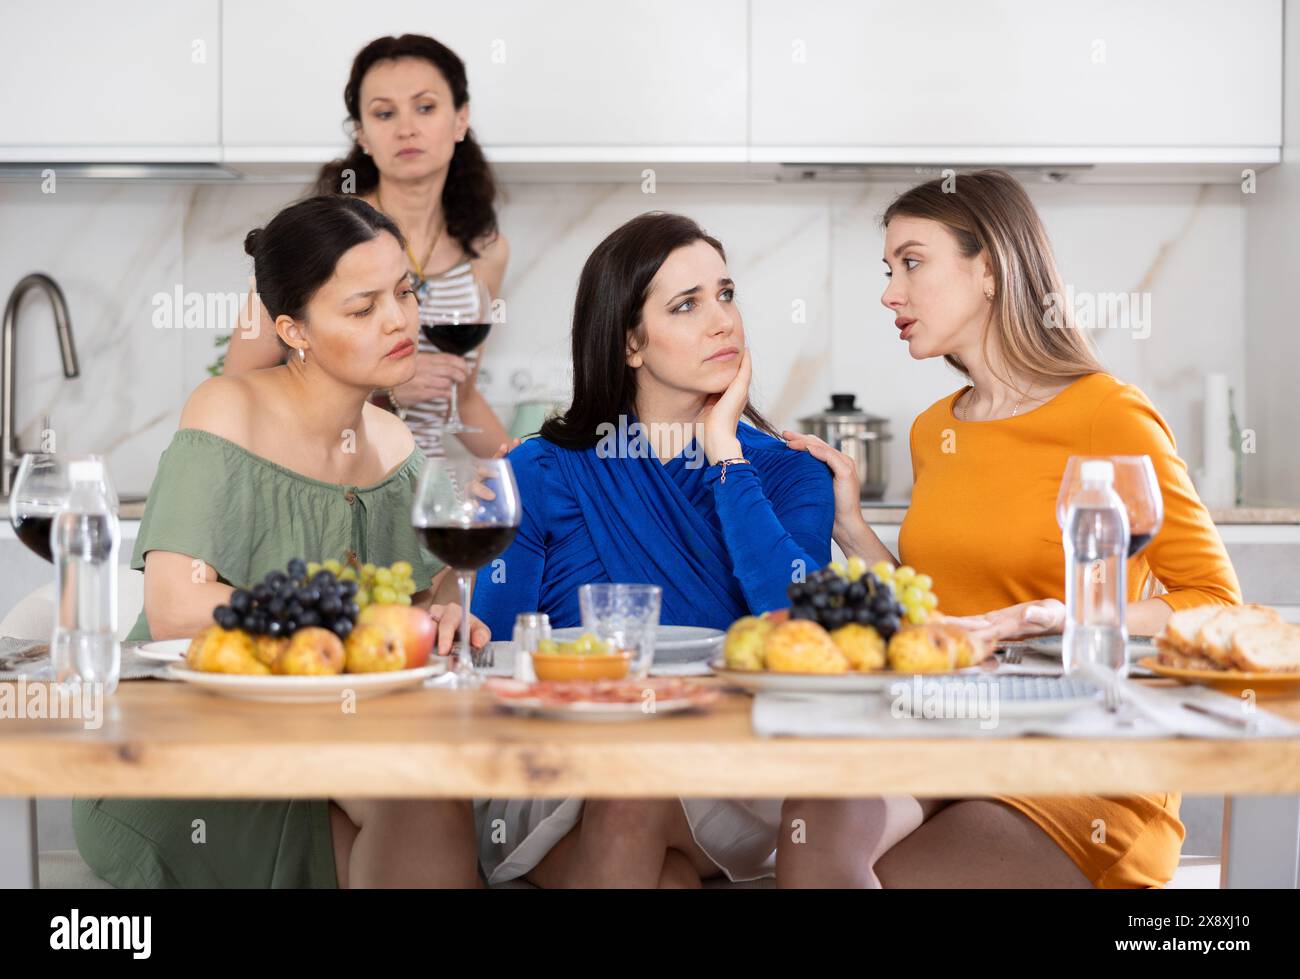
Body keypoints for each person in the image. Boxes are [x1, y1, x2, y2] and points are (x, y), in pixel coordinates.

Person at [780, 170, 1241, 888]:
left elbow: (1215, 601)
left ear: (989, 268)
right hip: (950, 728)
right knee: (811, 837)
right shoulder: (936, 429)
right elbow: (943, 619)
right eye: (888, 268)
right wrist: (852, 526)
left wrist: (1078, 616)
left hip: (1080, 757)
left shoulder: (1107, 413)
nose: (889, 292)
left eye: (912, 261)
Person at [73, 195, 492, 888]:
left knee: (431, 806)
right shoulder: (227, 409)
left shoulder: (394, 444)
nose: (399, 321)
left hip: (329, 741)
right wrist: (358, 620)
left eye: (405, 293)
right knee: (422, 814)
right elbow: (178, 606)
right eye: (362, 309)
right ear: (293, 330)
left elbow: (430, 592)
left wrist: (445, 611)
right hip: (196, 756)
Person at [471, 212, 835, 887]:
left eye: (725, 294)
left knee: (634, 795)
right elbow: (492, 651)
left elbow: (804, 634)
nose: (722, 320)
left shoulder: (790, 472)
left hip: (735, 764)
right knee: (637, 813)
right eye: (686, 305)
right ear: (631, 343)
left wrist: (728, 457)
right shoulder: (538, 470)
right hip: (565, 764)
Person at [223, 33, 510, 459]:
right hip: (336, 484)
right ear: (362, 133)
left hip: (428, 493)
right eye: (384, 113)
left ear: (460, 119)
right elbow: (238, 384)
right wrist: (384, 389)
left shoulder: (485, 250)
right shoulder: (321, 237)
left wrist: (526, 463)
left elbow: (461, 399)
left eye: (426, 107)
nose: (406, 128)